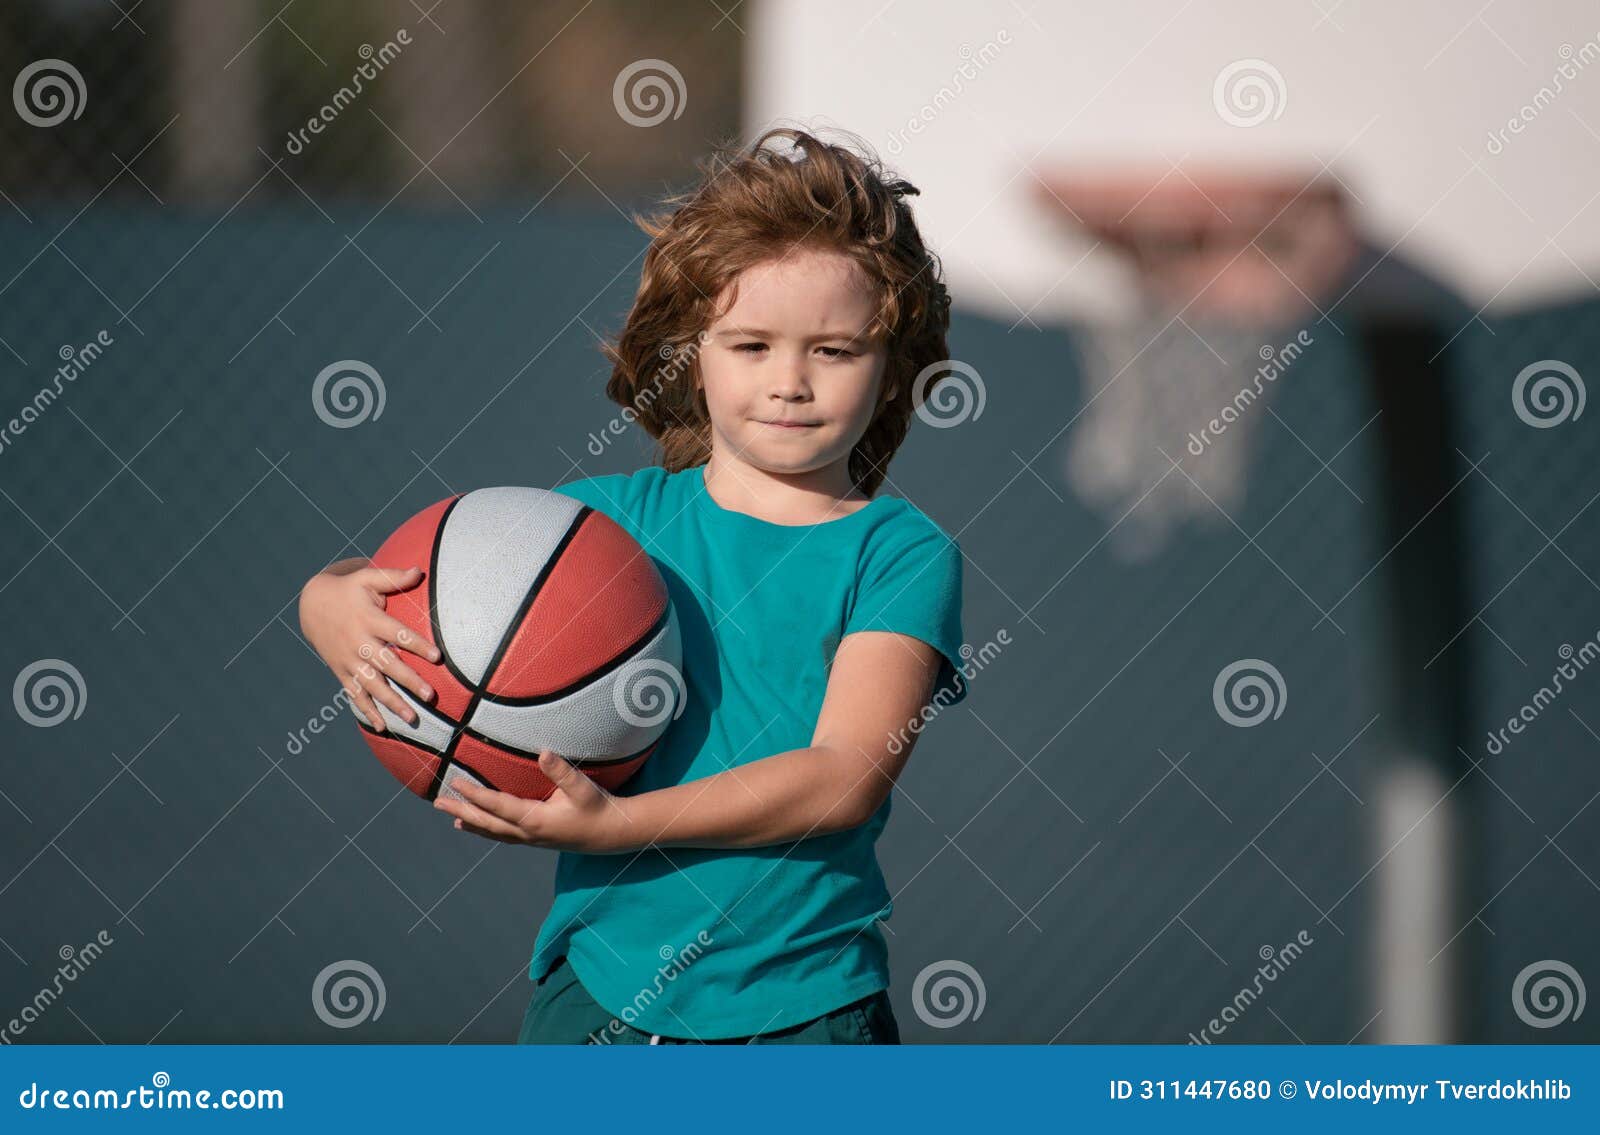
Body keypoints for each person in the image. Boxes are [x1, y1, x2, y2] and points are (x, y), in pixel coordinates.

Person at [297, 126, 968, 1044]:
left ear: (892, 368)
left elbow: (842, 778)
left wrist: (620, 825)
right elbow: (392, 579)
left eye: (835, 351)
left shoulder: (899, 551)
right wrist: (325, 604)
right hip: (600, 995)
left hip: (809, 1005)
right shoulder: (599, 530)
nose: (790, 381)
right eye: (750, 344)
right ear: (694, 355)